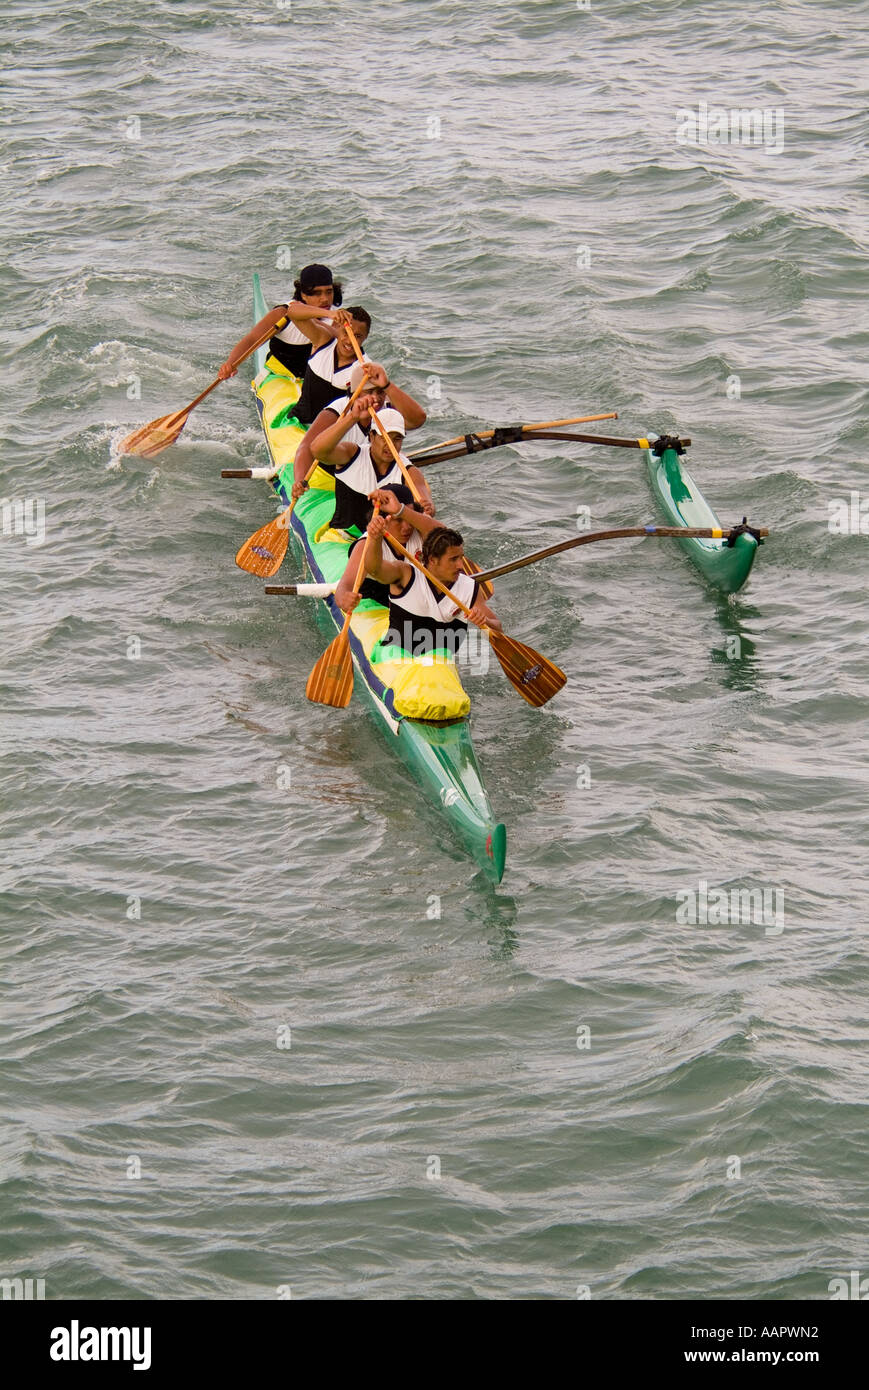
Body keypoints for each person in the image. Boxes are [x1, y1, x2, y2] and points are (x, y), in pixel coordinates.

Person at [291, 360, 427, 503]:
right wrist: (300, 480)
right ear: (355, 393)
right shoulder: (337, 411)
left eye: (380, 392)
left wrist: (388, 385)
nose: (376, 398)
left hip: (368, 472)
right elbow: (307, 447)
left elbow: (417, 420)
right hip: (333, 469)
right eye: (369, 392)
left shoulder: (388, 410)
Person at [369, 524, 501, 660]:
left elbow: (498, 630)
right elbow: (374, 570)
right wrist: (375, 539)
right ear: (432, 560)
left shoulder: (469, 588)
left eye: (461, 557)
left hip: (437, 665)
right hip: (394, 657)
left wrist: (484, 621)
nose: (461, 566)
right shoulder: (405, 574)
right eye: (453, 559)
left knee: (439, 655)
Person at [311, 398, 433, 538]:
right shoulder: (352, 454)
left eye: (397, 439)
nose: (391, 445)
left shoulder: (409, 472)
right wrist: (352, 417)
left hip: (384, 542)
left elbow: (427, 508)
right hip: (342, 538)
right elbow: (317, 451)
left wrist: (426, 508)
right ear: (371, 436)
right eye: (385, 438)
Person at [216, 263, 346, 382]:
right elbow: (252, 339)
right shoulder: (282, 314)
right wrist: (230, 364)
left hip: (314, 381)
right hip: (279, 377)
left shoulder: (338, 318)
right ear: (303, 295)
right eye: (317, 293)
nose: (325, 299)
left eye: (329, 292)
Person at [334, 485, 436, 615]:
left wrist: (401, 511)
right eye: (398, 520)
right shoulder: (365, 545)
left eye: (408, 518)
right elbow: (344, 587)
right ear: (383, 520)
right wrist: (344, 600)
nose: (407, 527)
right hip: (378, 596)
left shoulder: (421, 528)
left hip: (414, 593)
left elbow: (446, 536)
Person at [291, 307, 374, 424]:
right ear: (338, 327)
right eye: (347, 332)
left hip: (328, 432)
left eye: (358, 336)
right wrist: (329, 314)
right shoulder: (323, 341)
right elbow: (292, 313)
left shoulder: (364, 369)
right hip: (297, 421)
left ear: (366, 337)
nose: (350, 341)